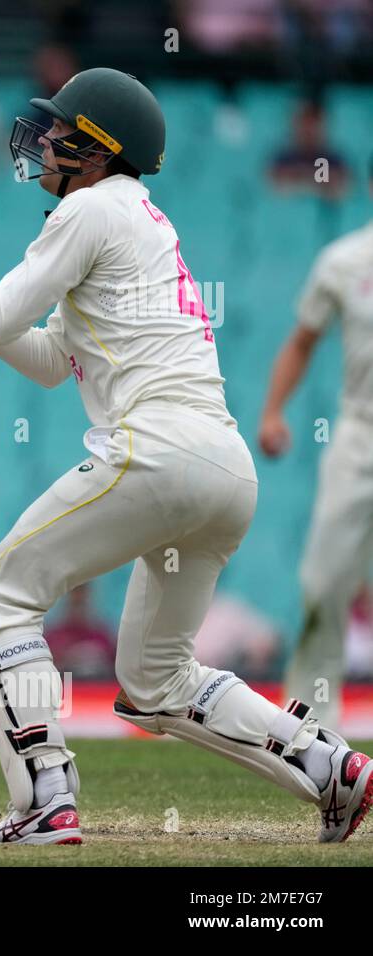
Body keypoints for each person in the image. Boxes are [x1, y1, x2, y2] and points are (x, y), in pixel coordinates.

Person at [0, 67, 373, 844]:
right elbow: (52, 357)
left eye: (61, 132)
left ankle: (44, 798)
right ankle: (333, 768)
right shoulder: (139, 220)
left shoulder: (88, 208)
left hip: (156, 452)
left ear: (98, 150)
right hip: (222, 471)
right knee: (158, 681)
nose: (46, 142)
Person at [259, 159, 373, 727]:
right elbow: (302, 341)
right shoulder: (344, 260)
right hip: (359, 435)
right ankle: (312, 729)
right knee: (324, 581)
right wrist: (274, 411)